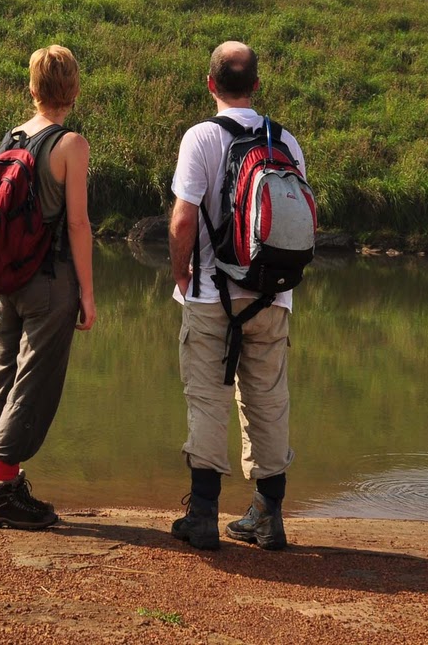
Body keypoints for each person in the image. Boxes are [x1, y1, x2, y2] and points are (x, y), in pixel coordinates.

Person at [167, 41, 304, 551]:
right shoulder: (285, 139)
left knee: (207, 398)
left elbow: (183, 218)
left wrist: (182, 277)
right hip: (272, 296)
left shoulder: (201, 137)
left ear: (210, 83)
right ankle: (268, 516)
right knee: (269, 402)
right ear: (256, 85)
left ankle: (202, 515)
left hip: (208, 293)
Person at [0, 44, 96, 530]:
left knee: (4, 375)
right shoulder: (71, 146)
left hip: (4, 280)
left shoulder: (11, 137)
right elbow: (78, 225)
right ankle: (1, 492)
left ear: (31, 88)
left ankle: (4, 478)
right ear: (73, 90)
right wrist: (86, 295)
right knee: (34, 383)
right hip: (48, 283)